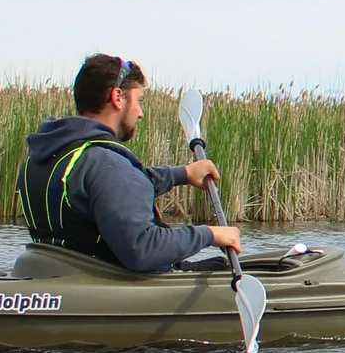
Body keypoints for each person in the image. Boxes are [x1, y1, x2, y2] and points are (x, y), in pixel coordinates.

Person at [18, 54, 242, 272]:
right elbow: (143, 248)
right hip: (109, 285)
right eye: (139, 101)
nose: (140, 113)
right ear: (117, 97)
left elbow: (113, 189)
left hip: (61, 275)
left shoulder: (49, 154)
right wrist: (210, 234)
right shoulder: (106, 164)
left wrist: (183, 173)